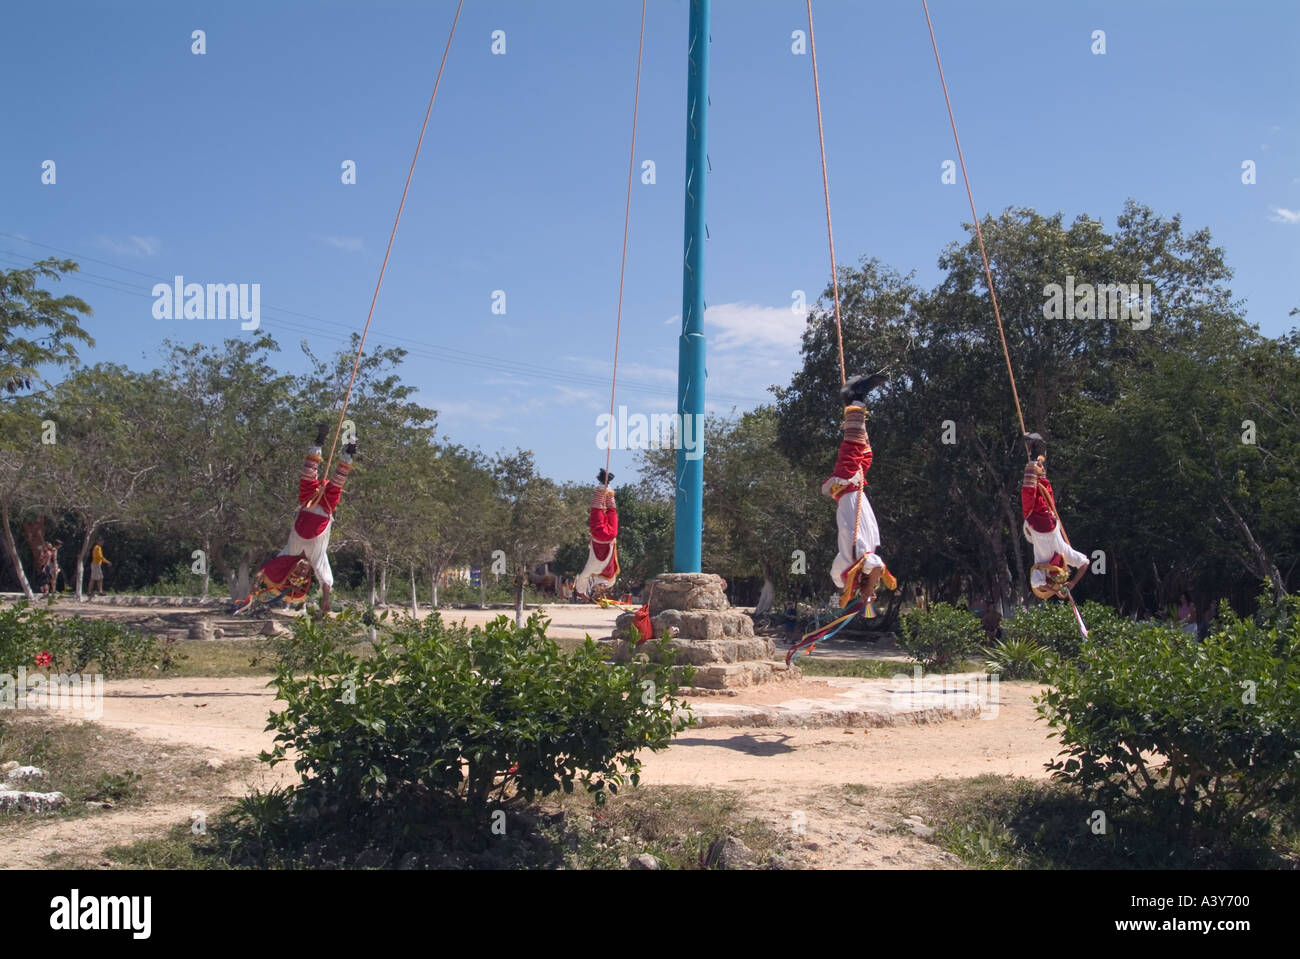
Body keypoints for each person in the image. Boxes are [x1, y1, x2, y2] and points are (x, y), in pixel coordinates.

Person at [244, 424, 357, 614]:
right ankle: (350, 450)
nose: (303, 570)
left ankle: (319, 441)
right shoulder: (317, 558)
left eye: (299, 572)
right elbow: (326, 581)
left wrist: (255, 586)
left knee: (308, 472)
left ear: (293, 571)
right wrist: (326, 601)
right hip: (325, 510)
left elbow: (265, 571)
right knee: (338, 480)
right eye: (305, 573)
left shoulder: (290, 553)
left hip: (307, 505)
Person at [823, 373, 895, 606]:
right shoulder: (860, 560)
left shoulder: (852, 563)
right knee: (865, 454)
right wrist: (866, 591)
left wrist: (863, 592)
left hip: (849, 493)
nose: (873, 585)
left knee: (853, 450)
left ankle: (854, 400)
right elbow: (876, 569)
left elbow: (874, 569)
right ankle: (855, 401)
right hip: (854, 495)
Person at [1020, 434, 1088, 600]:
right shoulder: (1065, 555)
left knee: (1040, 487)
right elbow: (1085, 563)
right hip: (1043, 523)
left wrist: (1057, 589)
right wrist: (1070, 584)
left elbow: (1037, 584)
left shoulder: (1042, 568)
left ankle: (1035, 454)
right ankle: (1034, 455)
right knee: (1033, 488)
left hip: (1045, 520)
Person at [575, 469, 618, 601]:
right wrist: (581, 591)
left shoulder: (610, 579)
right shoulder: (591, 570)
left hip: (611, 536)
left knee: (611, 511)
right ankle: (603, 485)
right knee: (597, 510)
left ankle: (607, 486)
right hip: (599, 536)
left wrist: (582, 592)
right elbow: (582, 578)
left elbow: (586, 580)